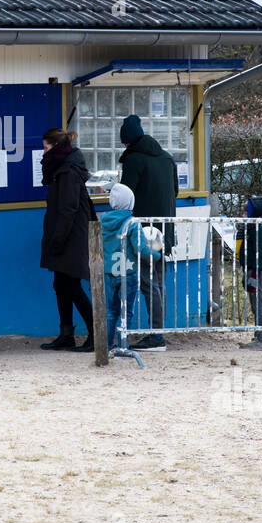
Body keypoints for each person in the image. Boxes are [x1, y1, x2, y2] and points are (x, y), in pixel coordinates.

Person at [118, 114, 178, 352]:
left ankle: (156, 337)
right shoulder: (167, 158)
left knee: (148, 282)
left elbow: (126, 196)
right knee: (158, 282)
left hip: (146, 233)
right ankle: (157, 332)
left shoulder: (134, 160)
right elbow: (174, 191)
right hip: (165, 231)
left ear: (127, 141)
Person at [39, 127, 98, 352]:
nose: (43, 154)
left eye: (46, 148)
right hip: (66, 236)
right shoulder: (62, 170)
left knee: (71, 286)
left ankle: (95, 333)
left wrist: (57, 241)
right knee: (61, 284)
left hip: (70, 238)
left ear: (56, 147)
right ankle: (66, 334)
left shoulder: (67, 173)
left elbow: (68, 210)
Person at [101, 183, 162, 348]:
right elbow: (140, 249)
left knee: (111, 311)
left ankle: (106, 346)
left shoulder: (103, 222)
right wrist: (156, 255)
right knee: (126, 312)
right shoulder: (132, 223)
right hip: (128, 273)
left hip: (109, 273)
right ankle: (123, 345)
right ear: (130, 202)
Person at [237, 195, 262, 350]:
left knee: (259, 306)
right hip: (252, 271)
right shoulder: (252, 229)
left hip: (257, 273)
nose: (243, 216)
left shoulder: (258, 230)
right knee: (255, 306)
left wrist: (254, 274)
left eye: (246, 213)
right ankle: (257, 337)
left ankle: (261, 340)